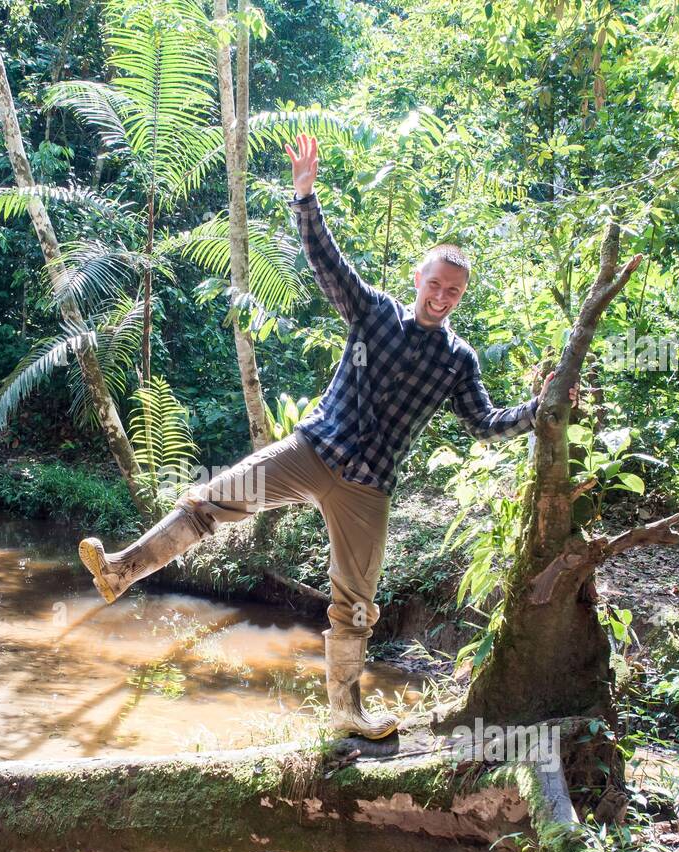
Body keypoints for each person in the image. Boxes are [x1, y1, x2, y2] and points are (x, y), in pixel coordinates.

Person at [78, 133, 574, 739]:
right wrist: (305, 195)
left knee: (357, 603)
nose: (441, 298)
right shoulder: (374, 314)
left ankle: (346, 712)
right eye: (435, 284)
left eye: (454, 292)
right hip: (312, 451)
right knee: (211, 496)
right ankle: (122, 570)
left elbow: (487, 425)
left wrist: (543, 407)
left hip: (367, 489)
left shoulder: (457, 360)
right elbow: (327, 264)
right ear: (418, 278)